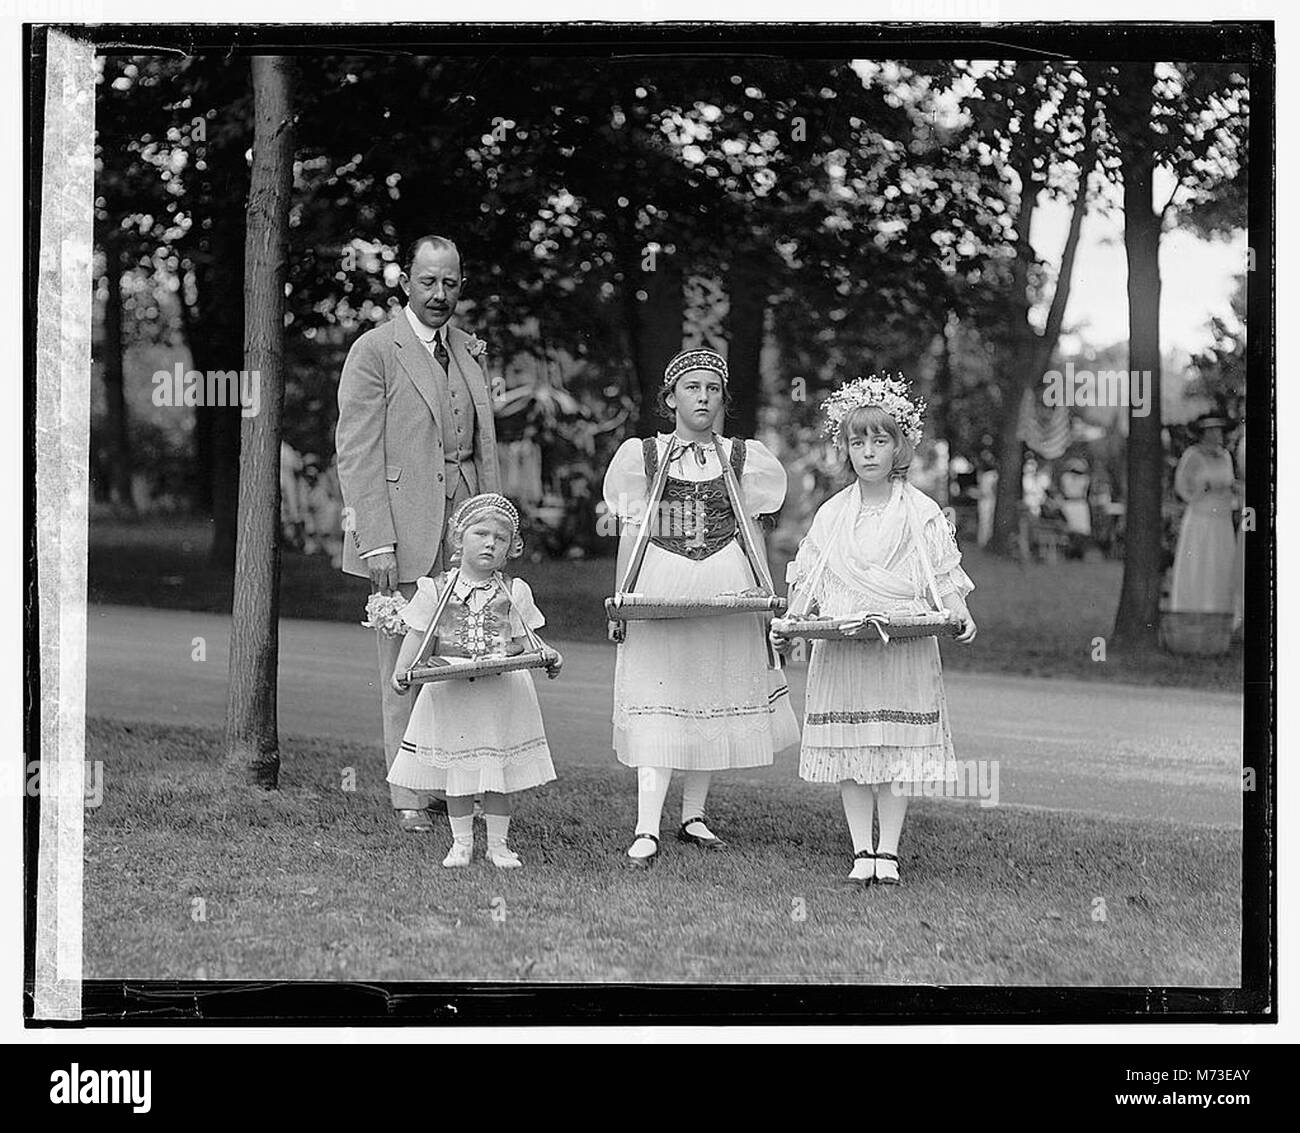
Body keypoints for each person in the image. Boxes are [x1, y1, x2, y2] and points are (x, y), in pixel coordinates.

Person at [772, 375, 977, 887]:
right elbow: (810, 575)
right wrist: (793, 621)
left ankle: (889, 850)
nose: (868, 453)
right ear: (845, 448)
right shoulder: (833, 514)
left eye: (880, 441)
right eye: (857, 441)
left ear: (899, 446)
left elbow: (941, 570)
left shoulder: (921, 511)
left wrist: (957, 610)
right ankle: (861, 845)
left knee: (895, 747)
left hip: (902, 640)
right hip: (845, 644)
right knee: (852, 745)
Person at [602, 347, 800, 869]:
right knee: (659, 694)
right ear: (671, 398)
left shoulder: (740, 457)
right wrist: (622, 598)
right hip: (661, 580)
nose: (704, 398)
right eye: (693, 388)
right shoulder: (643, 454)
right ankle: (647, 827)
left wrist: (764, 601)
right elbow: (633, 530)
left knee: (709, 689)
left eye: (713, 389)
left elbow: (753, 532)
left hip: (726, 582)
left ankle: (693, 815)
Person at [336, 234, 501, 834]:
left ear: (461, 285)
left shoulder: (467, 349)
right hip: (400, 531)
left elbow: (484, 447)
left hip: (467, 530)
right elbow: (355, 452)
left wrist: (495, 525)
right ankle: (409, 793)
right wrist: (374, 537)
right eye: (428, 281)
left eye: (450, 282)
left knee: (469, 655)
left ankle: (460, 783)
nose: (439, 294)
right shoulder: (375, 350)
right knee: (403, 662)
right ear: (406, 281)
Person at [388, 494, 561, 869]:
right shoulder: (435, 589)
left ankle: (498, 845)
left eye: (500, 539)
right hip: (452, 690)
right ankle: (461, 843)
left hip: (499, 691)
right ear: (458, 539)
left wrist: (548, 655)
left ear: (510, 548)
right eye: (480, 534)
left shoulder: (513, 591)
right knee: (460, 770)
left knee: (496, 771)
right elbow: (418, 634)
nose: (489, 543)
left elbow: (525, 638)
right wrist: (402, 670)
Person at [1169, 415, 1237, 616]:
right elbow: (1181, 486)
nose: (1216, 434)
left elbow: (1230, 481)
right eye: (1211, 430)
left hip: (1221, 519)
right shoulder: (1193, 455)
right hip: (1201, 518)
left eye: (1219, 429)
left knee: (1220, 564)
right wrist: (1202, 491)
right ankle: (1195, 611)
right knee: (1201, 564)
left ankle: (1220, 612)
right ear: (1203, 433)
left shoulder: (1225, 455)